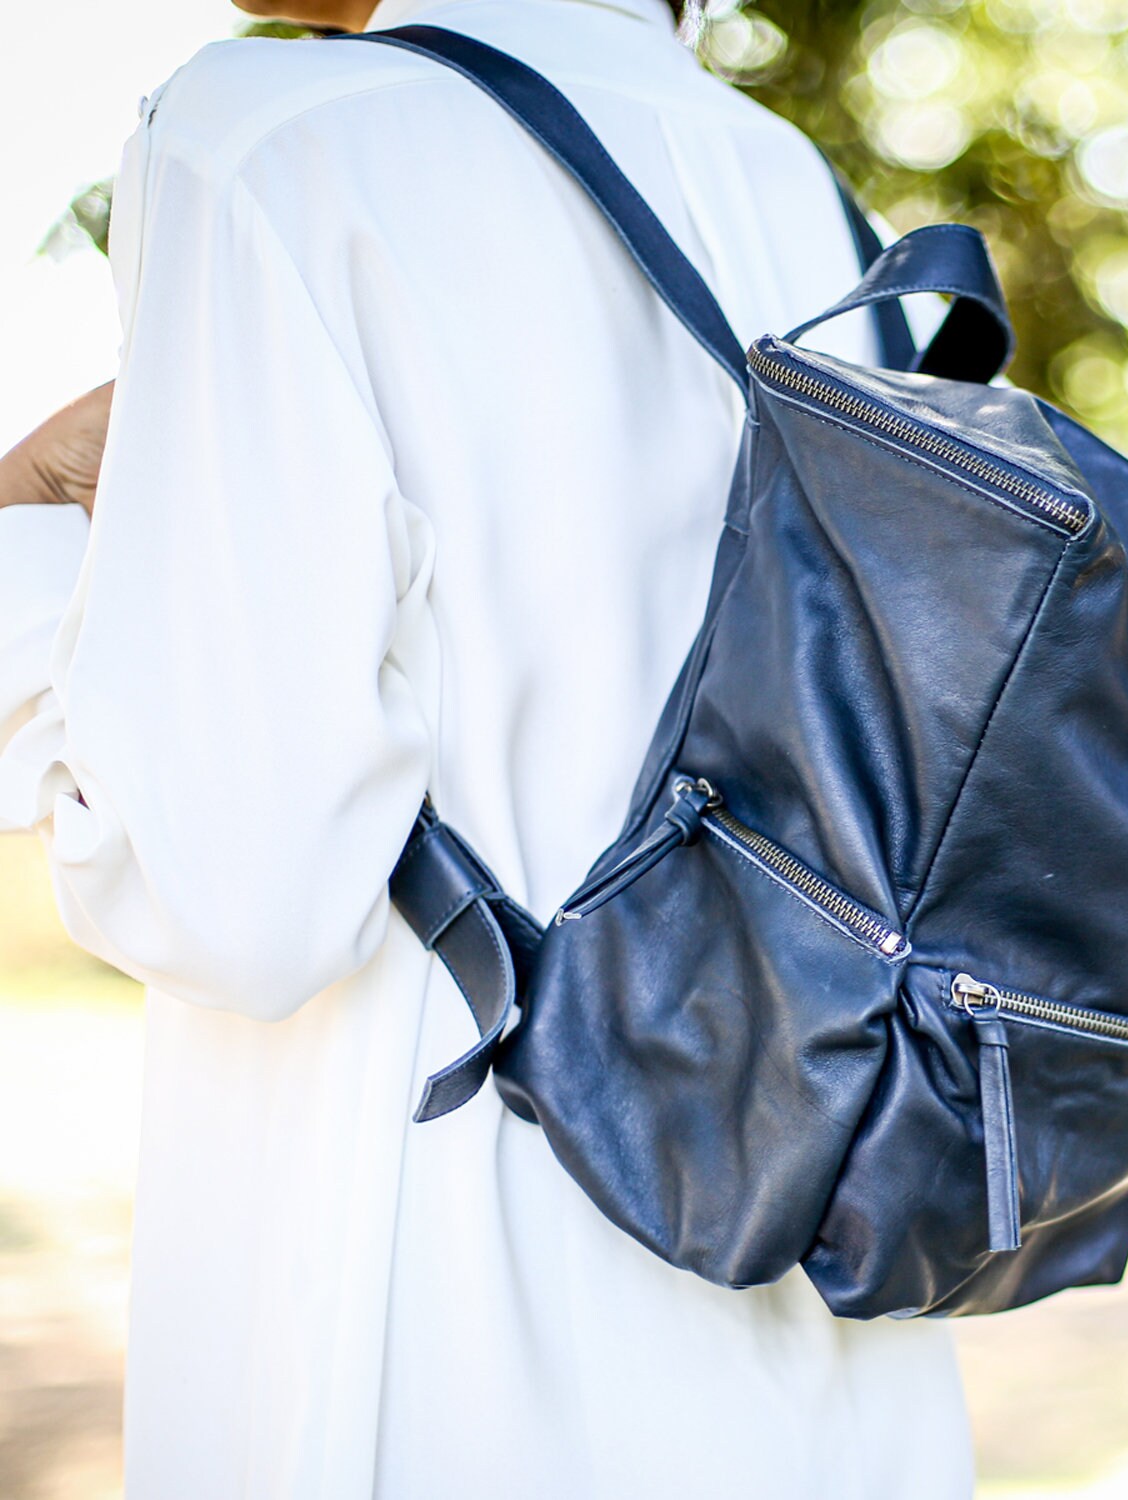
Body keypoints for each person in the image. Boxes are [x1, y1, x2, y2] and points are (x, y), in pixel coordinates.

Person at [0, 1, 976, 1495]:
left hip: (450, 1309)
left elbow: (237, 898)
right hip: (829, 1284)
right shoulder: (815, 198)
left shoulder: (266, 136)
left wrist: (31, 546)